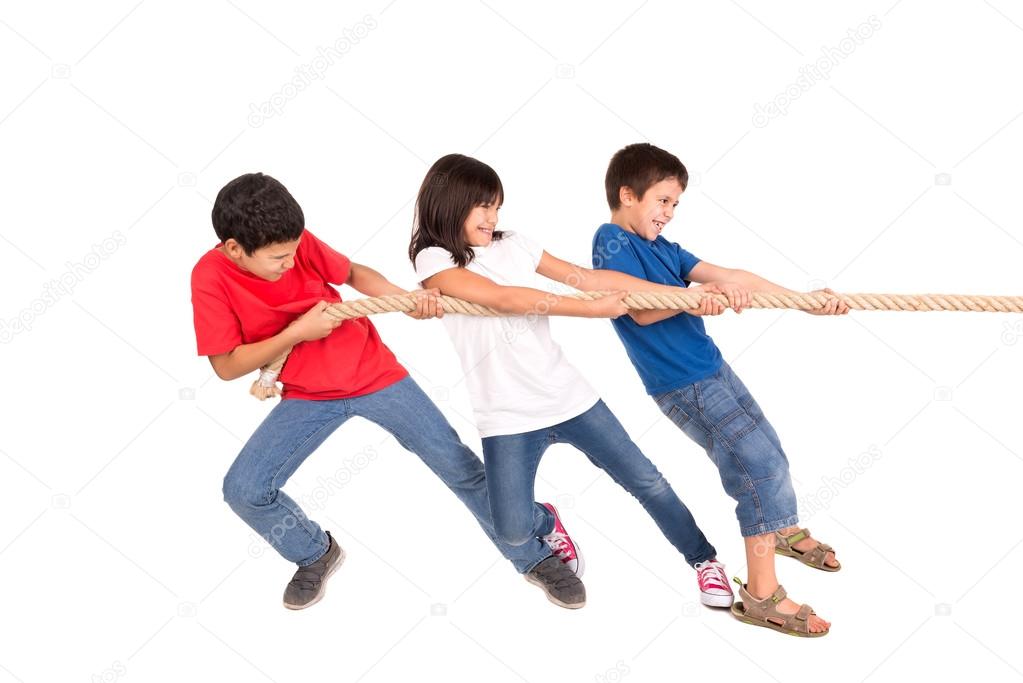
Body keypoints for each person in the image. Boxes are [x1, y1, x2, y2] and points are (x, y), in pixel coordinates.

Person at [191, 172, 580, 611]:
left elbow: (353, 273)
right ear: (234, 249)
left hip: (375, 375)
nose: (290, 262)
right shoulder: (209, 277)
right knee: (244, 489)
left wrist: (404, 299)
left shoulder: (293, 240)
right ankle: (314, 552)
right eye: (278, 257)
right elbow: (226, 366)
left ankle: (533, 552)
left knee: (461, 469)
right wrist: (298, 332)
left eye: (294, 252)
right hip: (306, 394)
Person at [410, 153, 735, 609]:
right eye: (482, 207)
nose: (493, 217)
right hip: (506, 415)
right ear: (449, 204)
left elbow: (584, 277)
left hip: (569, 397)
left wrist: (682, 295)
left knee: (647, 482)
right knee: (513, 528)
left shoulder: (515, 242)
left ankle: (704, 561)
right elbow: (504, 298)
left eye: (497, 206)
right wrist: (589, 309)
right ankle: (548, 522)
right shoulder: (433, 258)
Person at [592, 142, 849, 636]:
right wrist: (694, 298)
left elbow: (730, 276)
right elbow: (640, 308)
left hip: (711, 368)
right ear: (627, 194)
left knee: (769, 446)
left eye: (675, 204)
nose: (668, 213)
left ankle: (781, 530)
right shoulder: (611, 241)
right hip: (682, 385)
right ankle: (760, 595)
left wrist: (801, 300)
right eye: (662, 200)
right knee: (757, 468)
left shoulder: (664, 249)